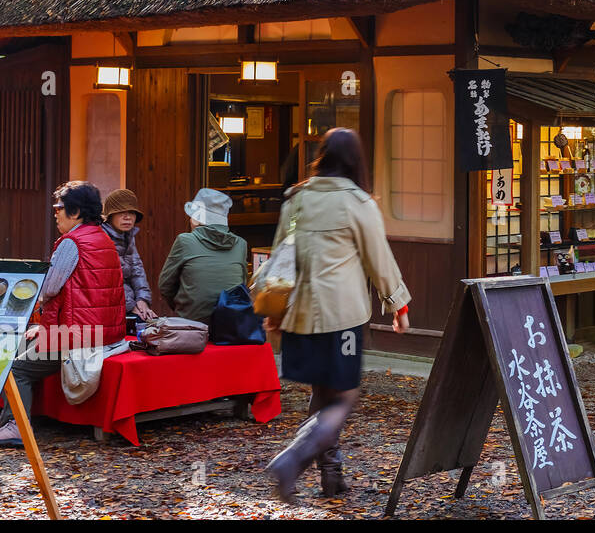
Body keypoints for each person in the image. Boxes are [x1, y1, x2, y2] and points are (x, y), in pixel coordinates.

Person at [265, 127, 410, 501]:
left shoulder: (296, 199)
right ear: (355, 159)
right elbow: (380, 259)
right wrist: (398, 304)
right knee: (343, 398)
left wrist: (275, 310)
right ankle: (292, 459)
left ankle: (332, 477)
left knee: (322, 395)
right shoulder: (357, 202)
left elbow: (281, 257)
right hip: (341, 316)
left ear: (323, 155)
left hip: (299, 313)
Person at [0, 182, 126, 448]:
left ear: (76, 211)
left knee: (14, 365)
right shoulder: (102, 237)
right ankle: (9, 419)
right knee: (16, 344)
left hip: (77, 336)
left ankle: (15, 428)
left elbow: (49, 288)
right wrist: (45, 330)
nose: (54, 213)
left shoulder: (72, 242)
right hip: (103, 331)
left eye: (58, 208)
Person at [157, 188, 249, 324]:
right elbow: (242, 284)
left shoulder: (185, 241)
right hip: (231, 324)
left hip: (192, 324)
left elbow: (165, 285)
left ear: (197, 218)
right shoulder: (241, 244)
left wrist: (184, 308)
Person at [100, 188, 157, 324]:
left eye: (131, 212)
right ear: (110, 216)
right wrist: (132, 306)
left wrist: (143, 300)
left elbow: (137, 270)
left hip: (126, 304)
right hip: (105, 310)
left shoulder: (128, 236)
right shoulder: (100, 238)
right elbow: (108, 280)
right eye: (121, 212)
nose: (128, 217)